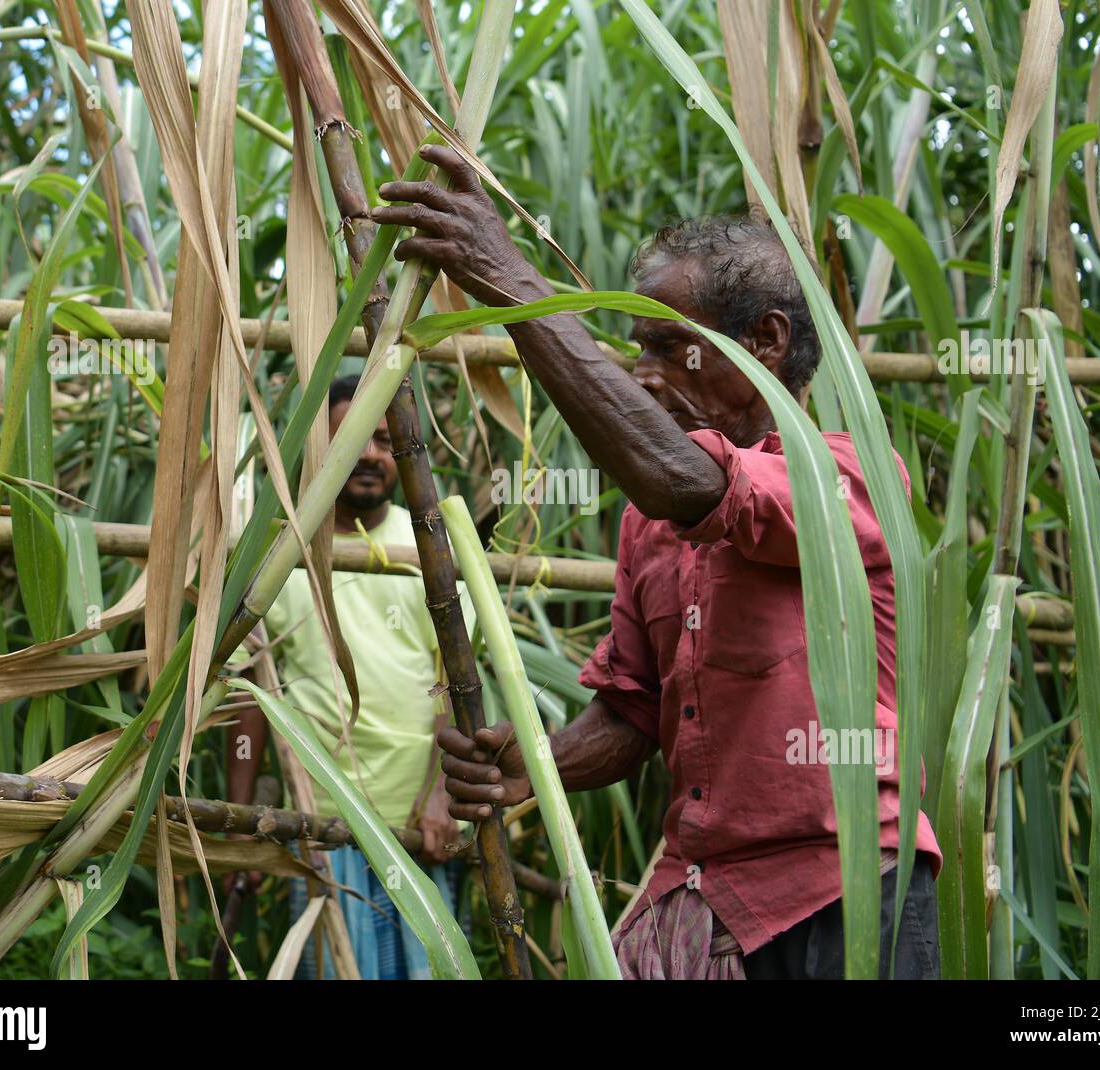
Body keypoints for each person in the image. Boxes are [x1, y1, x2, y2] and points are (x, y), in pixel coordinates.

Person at [372, 144, 943, 980]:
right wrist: (531, 765)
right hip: (709, 902)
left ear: (767, 342)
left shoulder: (850, 477)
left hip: (850, 887)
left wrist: (516, 288)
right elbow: (635, 714)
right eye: (634, 348)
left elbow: (684, 482)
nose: (641, 377)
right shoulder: (652, 525)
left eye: (670, 350)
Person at [226, 374, 465, 980]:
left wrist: (442, 796)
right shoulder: (279, 558)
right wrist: (239, 820)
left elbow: (455, 689)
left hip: (418, 831)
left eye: (385, 440)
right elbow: (250, 703)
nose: (368, 454)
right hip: (321, 826)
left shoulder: (430, 555)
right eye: (353, 438)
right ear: (318, 451)